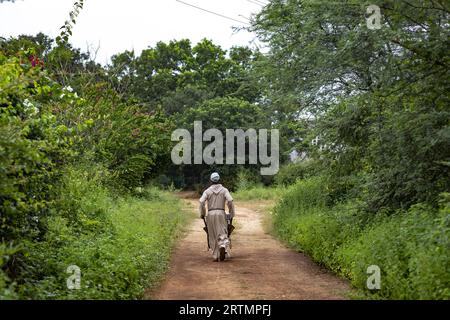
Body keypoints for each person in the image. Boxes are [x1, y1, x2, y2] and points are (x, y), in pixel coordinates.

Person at [199, 172, 235, 261]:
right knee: (222, 231)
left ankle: (216, 255)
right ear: (219, 180)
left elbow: (201, 201)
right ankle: (223, 246)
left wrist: (202, 213)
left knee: (213, 234)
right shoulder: (224, 190)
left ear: (211, 181)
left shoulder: (207, 191)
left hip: (210, 214)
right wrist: (231, 213)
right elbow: (230, 200)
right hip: (221, 213)